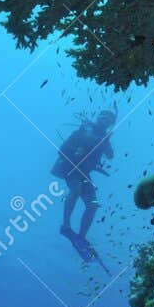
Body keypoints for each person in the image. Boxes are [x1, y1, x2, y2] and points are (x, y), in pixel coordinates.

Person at [52, 111, 115, 263]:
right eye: (102, 117)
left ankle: (81, 236)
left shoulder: (105, 137)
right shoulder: (85, 129)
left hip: (84, 173)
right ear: (97, 118)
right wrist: (101, 140)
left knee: (93, 205)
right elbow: (66, 148)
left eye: (108, 120)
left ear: (110, 124)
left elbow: (110, 155)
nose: (104, 120)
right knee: (76, 189)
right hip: (71, 167)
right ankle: (66, 225)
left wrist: (107, 141)